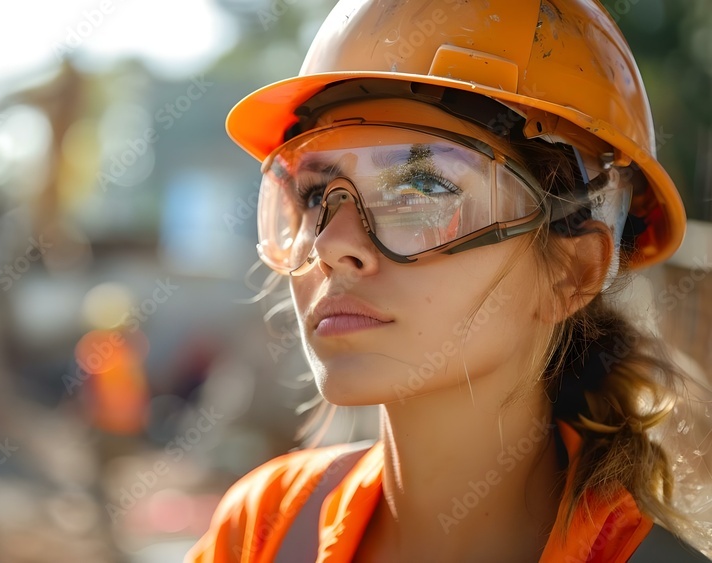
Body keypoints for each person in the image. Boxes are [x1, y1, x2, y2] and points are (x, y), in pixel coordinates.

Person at [186, 0, 712, 561]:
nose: (330, 244)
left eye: (423, 188)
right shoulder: (264, 531)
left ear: (572, 272)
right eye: (317, 195)